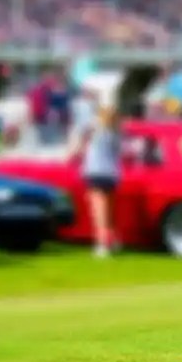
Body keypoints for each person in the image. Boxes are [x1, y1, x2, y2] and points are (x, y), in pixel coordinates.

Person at [71, 102, 121, 258]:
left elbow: (78, 145)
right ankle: (113, 242)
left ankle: (102, 245)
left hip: (95, 172)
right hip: (112, 173)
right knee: (110, 213)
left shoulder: (94, 129)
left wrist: (73, 155)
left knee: (99, 212)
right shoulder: (115, 131)